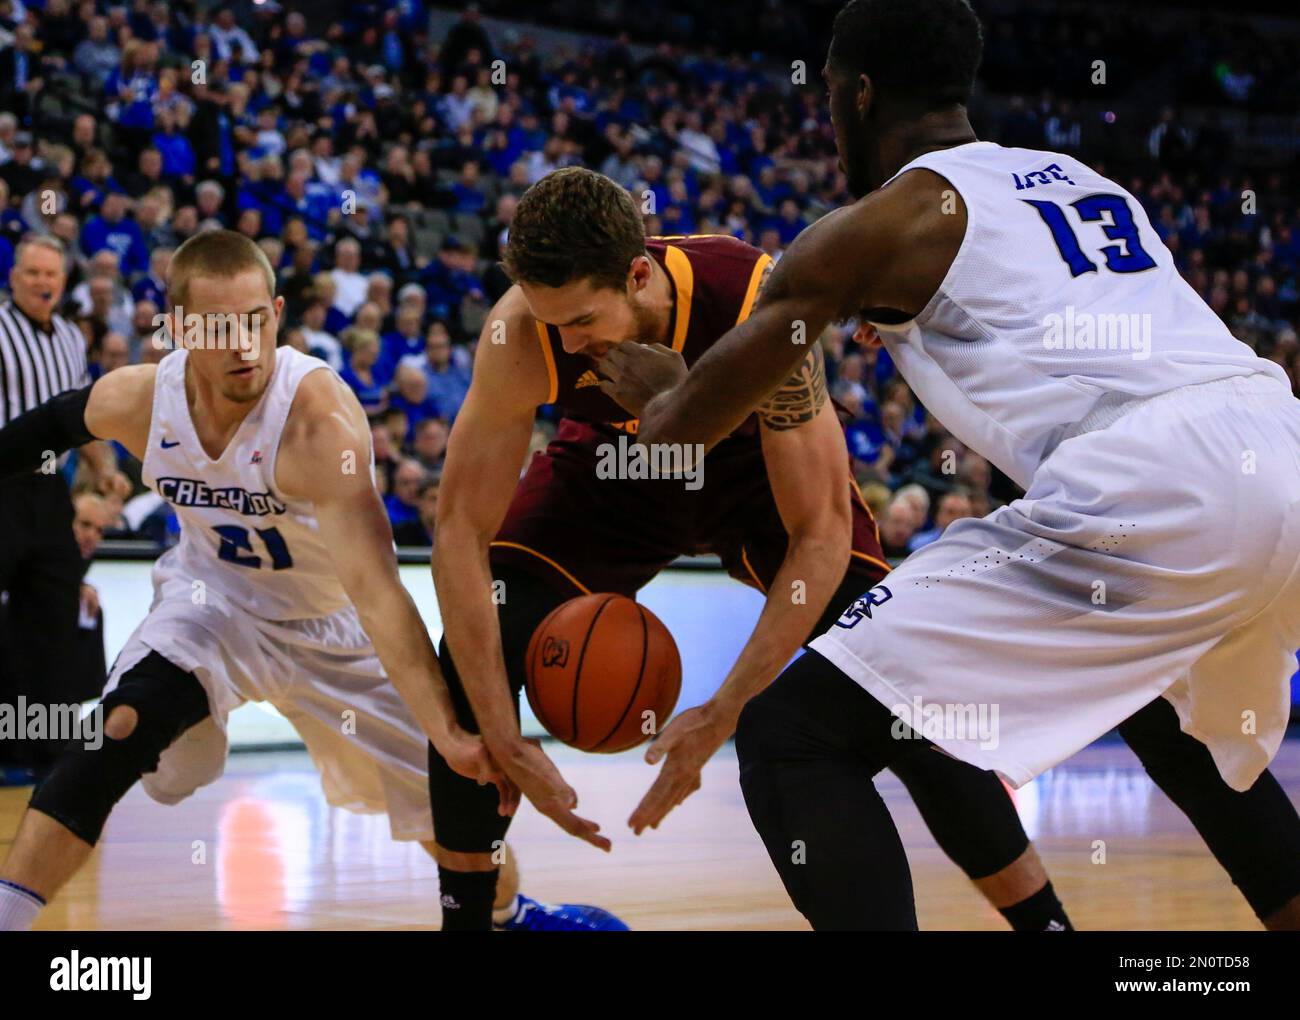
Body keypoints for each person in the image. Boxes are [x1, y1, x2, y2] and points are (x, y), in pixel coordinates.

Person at [599, 0, 1300, 930]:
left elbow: (685, 429)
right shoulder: (1085, 182)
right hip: (1273, 436)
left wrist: (660, 391)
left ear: (854, 93)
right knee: (1186, 728)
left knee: (794, 732)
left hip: (1156, 476)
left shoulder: (882, 221)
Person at [428, 166, 1076, 933]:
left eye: (582, 321)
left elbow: (821, 534)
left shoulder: (760, 302)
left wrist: (724, 709)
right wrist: (500, 731)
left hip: (753, 477)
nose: (567, 344)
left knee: (903, 676)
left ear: (638, 274)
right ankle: (467, 924)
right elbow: (459, 533)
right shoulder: (521, 331)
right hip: (615, 469)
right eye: (552, 323)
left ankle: (1046, 925)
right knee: (479, 646)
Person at [0, 230, 624, 932]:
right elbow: (43, 429)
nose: (242, 345)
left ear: (277, 311)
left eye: (255, 320)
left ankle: (511, 915)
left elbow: (379, 590)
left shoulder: (319, 423)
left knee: (451, 800)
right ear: (176, 329)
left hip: (335, 628)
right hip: (214, 607)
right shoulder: (140, 400)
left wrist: (446, 731)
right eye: (217, 326)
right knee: (120, 730)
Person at [0, 236, 127, 782]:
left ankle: (46, 751)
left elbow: (84, 414)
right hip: (1, 484)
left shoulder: (73, 339)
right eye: (32, 273)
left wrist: (103, 467)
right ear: (14, 276)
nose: (42, 282)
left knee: (52, 618)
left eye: (51, 273)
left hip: (51, 490)